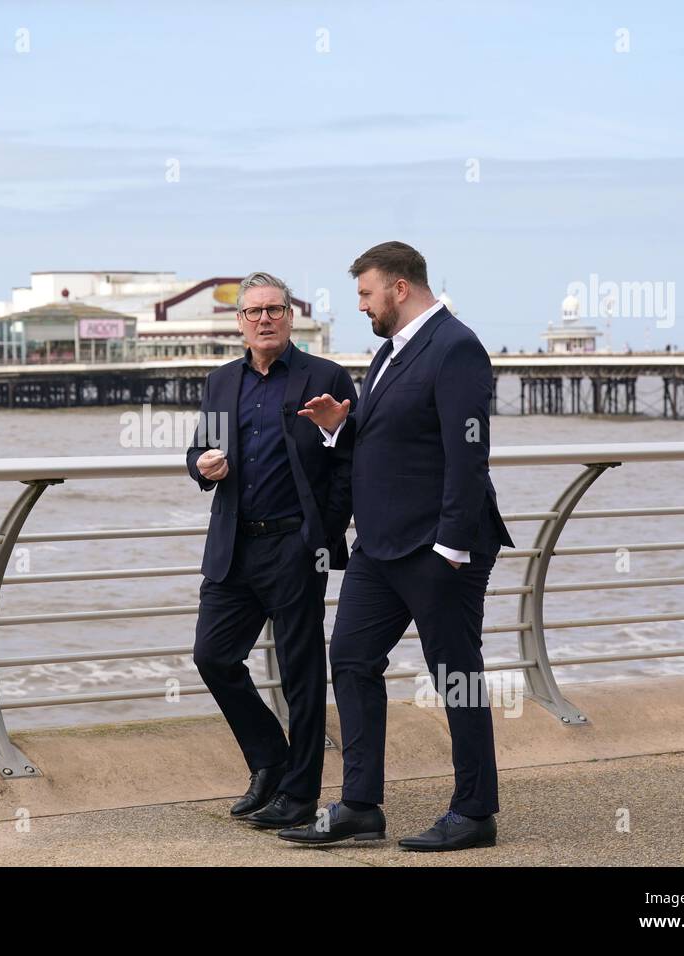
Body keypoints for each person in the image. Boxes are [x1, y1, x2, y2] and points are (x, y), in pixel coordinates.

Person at [284, 241, 515, 850]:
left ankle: (474, 813)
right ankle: (361, 804)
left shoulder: (455, 346)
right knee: (352, 660)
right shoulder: (391, 350)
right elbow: (397, 435)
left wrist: (453, 548)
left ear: (401, 288)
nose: (361, 305)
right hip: (380, 548)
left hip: (438, 547)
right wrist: (343, 424)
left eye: (366, 293)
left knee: (455, 675)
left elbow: (468, 456)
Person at [186, 271, 357, 829]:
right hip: (234, 544)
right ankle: (269, 760)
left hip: (294, 545)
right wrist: (203, 467)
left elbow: (348, 461)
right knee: (212, 656)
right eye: (254, 311)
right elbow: (201, 451)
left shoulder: (325, 376)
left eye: (275, 310)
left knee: (300, 671)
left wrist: (322, 533)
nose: (265, 319)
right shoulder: (219, 383)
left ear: (291, 317)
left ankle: (301, 793)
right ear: (239, 322)